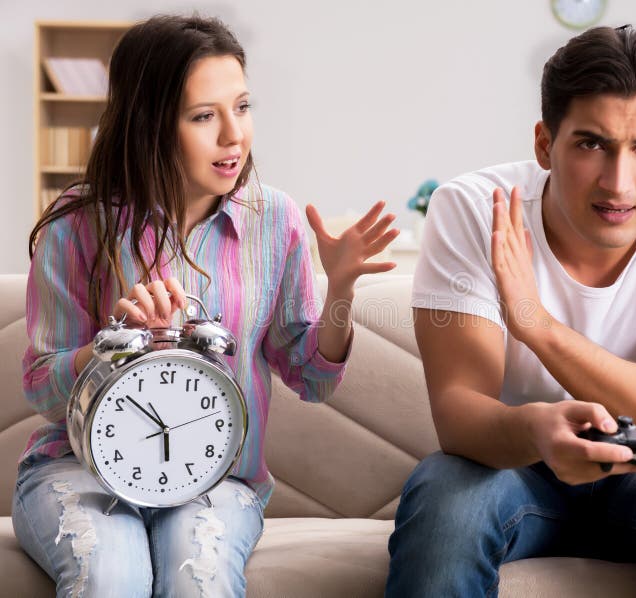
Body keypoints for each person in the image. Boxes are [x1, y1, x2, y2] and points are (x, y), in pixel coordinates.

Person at [386, 25, 636, 597]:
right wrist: (540, 432)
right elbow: (459, 414)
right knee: (446, 496)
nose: (619, 184)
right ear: (544, 143)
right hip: (514, 467)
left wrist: (539, 327)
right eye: (591, 144)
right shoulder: (476, 210)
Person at [14, 14, 398, 598]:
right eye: (203, 116)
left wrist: (339, 290)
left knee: (201, 577)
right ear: (149, 124)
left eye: (242, 108)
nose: (234, 136)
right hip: (80, 471)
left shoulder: (276, 222)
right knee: (110, 576)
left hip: (216, 479)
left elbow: (314, 380)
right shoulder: (78, 224)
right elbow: (42, 390)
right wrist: (111, 344)